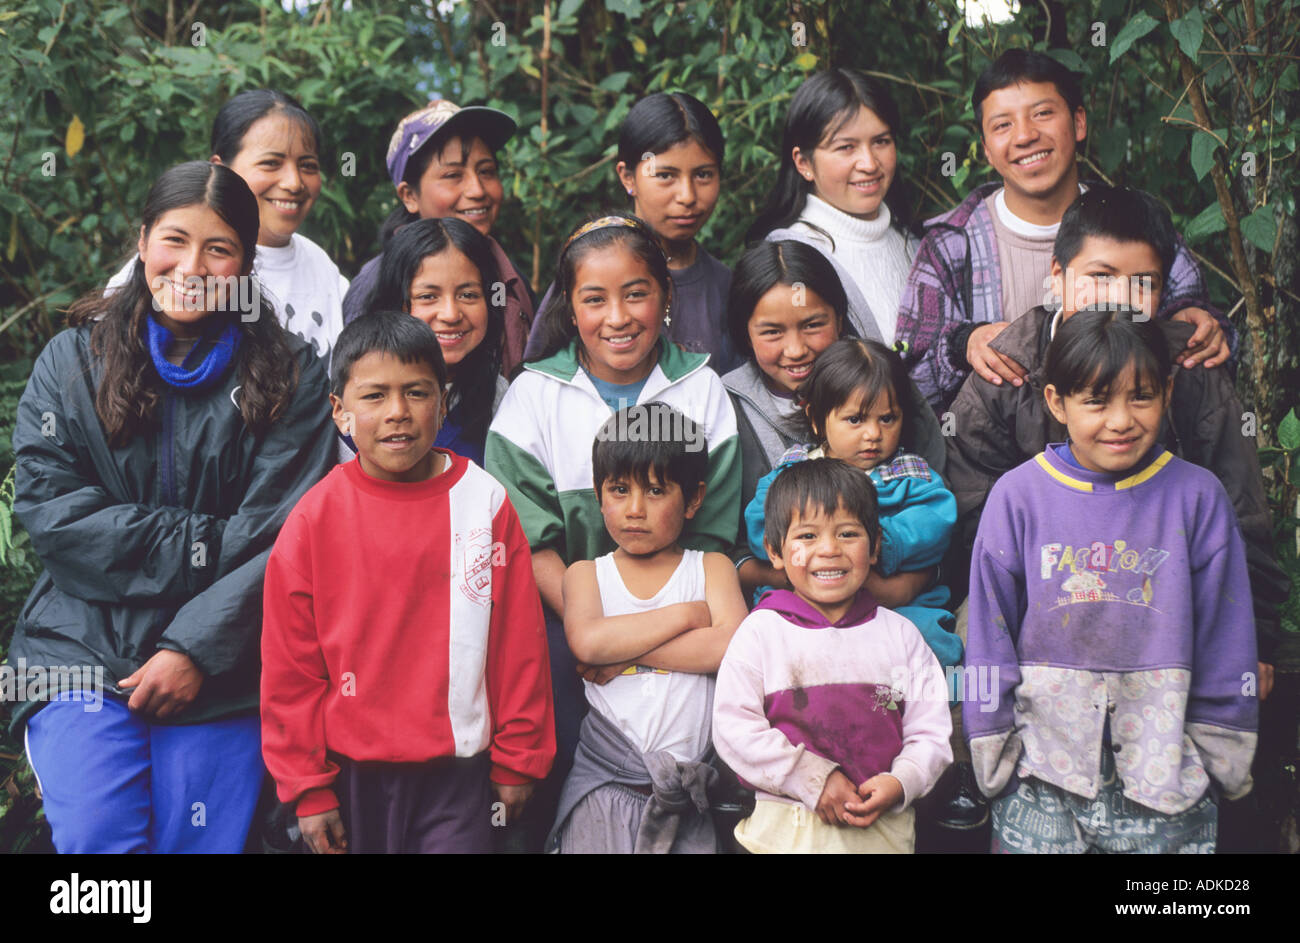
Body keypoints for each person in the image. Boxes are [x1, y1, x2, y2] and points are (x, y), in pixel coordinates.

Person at [10, 161, 336, 853]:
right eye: (174, 240)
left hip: (227, 669)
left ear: (247, 262)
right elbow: (55, 514)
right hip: (78, 650)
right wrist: (209, 538)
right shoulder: (71, 362)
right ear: (142, 240)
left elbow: (283, 534)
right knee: (100, 842)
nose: (192, 265)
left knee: (198, 844)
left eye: (219, 249)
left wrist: (194, 647)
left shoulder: (293, 376)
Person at [944, 186, 1285, 692]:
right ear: (1057, 279)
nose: (1120, 299)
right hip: (1034, 582)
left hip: (1161, 578)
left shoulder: (1188, 372)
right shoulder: (1007, 371)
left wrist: (1255, 639)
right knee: (977, 645)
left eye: (1142, 283)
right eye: (1100, 277)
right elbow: (971, 522)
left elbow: (1241, 515)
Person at [486, 214, 740, 847]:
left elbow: (711, 544)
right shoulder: (532, 396)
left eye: (636, 292)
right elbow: (529, 545)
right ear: (569, 309)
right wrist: (586, 630)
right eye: (593, 299)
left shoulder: (701, 390)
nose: (618, 316)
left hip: (683, 636)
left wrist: (616, 647)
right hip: (562, 632)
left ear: (667, 296)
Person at [963, 308, 1258, 853]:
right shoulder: (1018, 496)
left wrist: (1221, 752)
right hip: (1037, 774)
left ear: (1168, 392)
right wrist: (991, 745)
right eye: (1096, 400)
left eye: (1140, 397)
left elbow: (1227, 630)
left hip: (1169, 774)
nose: (1120, 420)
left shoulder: (1198, 497)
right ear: (1057, 402)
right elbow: (988, 630)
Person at [260, 311, 555, 854]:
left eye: (416, 392)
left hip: (459, 776)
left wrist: (520, 755)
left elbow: (518, 643)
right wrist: (307, 788)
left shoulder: (484, 503)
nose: (398, 412)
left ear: (443, 403)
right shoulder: (313, 519)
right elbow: (290, 668)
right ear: (340, 412)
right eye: (374, 396)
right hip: (351, 776)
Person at [895, 49, 1232, 411]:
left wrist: (1197, 322)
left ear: (1079, 123)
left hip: (1130, 449)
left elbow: (1208, 342)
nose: (1025, 136)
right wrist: (962, 344)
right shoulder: (950, 244)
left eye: (1042, 113)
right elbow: (905, 381)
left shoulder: (1136, 223)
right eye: (1003, 125)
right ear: (986, 150)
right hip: (1000, 462)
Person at [712, 458, 953, 853]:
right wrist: (810, 777)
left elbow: (930, 731)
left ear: (875, 546)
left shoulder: (901, 636)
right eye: (807, 536)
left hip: (881, 838)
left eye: (847, 534)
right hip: (781, 838)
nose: (829, 550)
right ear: (775, 551)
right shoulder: (760, 633)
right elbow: (734, 728)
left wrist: (902, 781)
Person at [547, 404, 748, 853]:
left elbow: (729, 647)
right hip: (604, 785)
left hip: (685, 797)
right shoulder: (585, 575)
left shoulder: (711, 569)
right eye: (619, 490)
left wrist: (624, 652)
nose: (635, 509)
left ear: (694, 499)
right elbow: (587, 641)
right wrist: (686, 616)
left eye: (656, 491)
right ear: (599, 495)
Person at [742, 339, 961, 673]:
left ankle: (922, 709)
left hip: (892, 605)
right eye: (855, 419)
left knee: (929, 640)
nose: (873, 433)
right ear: (817, 418)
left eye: (887, 419)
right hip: (806, 595)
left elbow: (935, 521)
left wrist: (877, 543)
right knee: (770, 638)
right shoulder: (793, 471)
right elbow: (761, 521)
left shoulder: (911, 475)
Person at [106, 89, 348, 361]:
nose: (294, 183)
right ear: (220, 169)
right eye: (271, 163)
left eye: (307, 165)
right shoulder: (166, 271)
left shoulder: (322, 267)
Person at [523, 92, 737, 372]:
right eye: (665, 175)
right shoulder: (588, 271)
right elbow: (540, 378)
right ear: (628, 177)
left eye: (703, 174)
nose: (687, 196)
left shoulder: (727, 288)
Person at [342, 99, 535, 376]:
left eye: (486, 171)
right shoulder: (379, 282)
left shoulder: (508, 274)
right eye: (453, 175)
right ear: (409, 196)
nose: (477, 189)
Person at [747, 69, 921, 347]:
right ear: (803, 163)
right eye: (846, 147)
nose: (869, 163)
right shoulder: (789, 259)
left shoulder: (913, 242)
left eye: (881, 141)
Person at [342, 216, 507, 466]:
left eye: (468, 295)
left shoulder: (501, 397)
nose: (451, 314)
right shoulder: (359, 399)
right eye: (428, 296)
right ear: (396, 303)